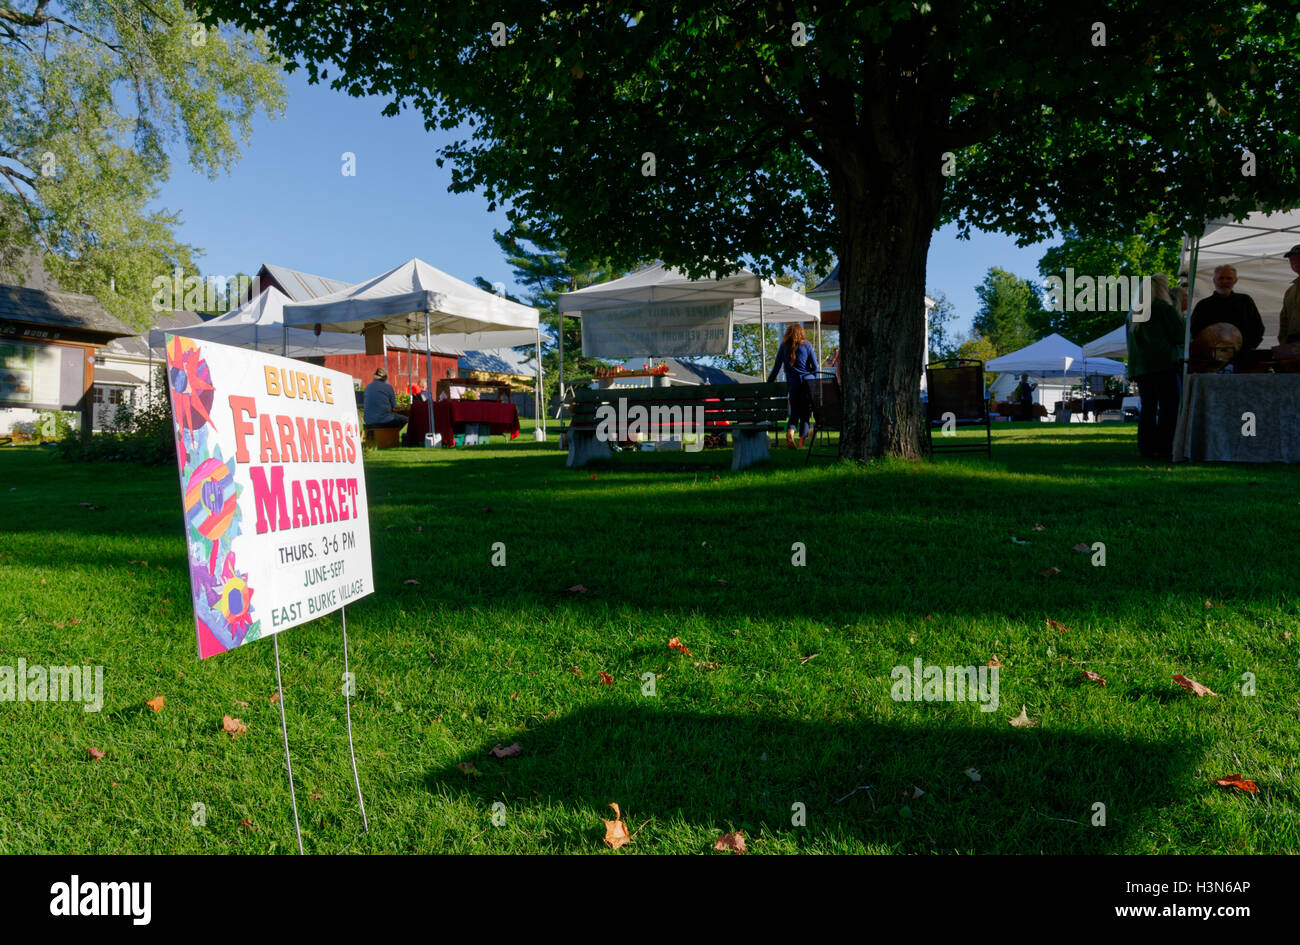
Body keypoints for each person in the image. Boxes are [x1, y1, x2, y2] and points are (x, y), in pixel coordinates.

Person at [1127, 274, 1184, 460]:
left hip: (1141, 368)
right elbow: (1180, 336)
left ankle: (1146, 448)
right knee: (1170, 407)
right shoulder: (1162, 308)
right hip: (1164, 365)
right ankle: (1164, 446)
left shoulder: (1133, 313)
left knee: (1148, 408)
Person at [1190, 264, 1265, 354]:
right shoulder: (1203, 305)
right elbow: (1195, 332)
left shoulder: (1245, 301)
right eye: (1221, 278)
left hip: (1241, 356)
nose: (1225, 282)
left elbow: (1258, 328)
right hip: (1212, 358)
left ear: (1235, 281)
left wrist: (1248, 347)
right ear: (1214, 280)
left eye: (1229, 278)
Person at [767, 323, 819, 448]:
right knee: (805, 415)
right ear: (801, 333)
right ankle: (801, 443)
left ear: (788, 333)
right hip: (806, 385)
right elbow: (815, 368)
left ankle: (790, 432)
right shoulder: (807, 345)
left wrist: (769, 383)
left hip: (793, 386)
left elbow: (776, 368)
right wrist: (813, 381)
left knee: (794, 413)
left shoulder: (783, 347)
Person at [1278, 245, 1300, 345]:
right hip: (1292, 342)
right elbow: (1284, 319)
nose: (1295, 262)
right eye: (1292, 259)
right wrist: (1283, 342)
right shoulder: (1290, 291)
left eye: (1298, 258)